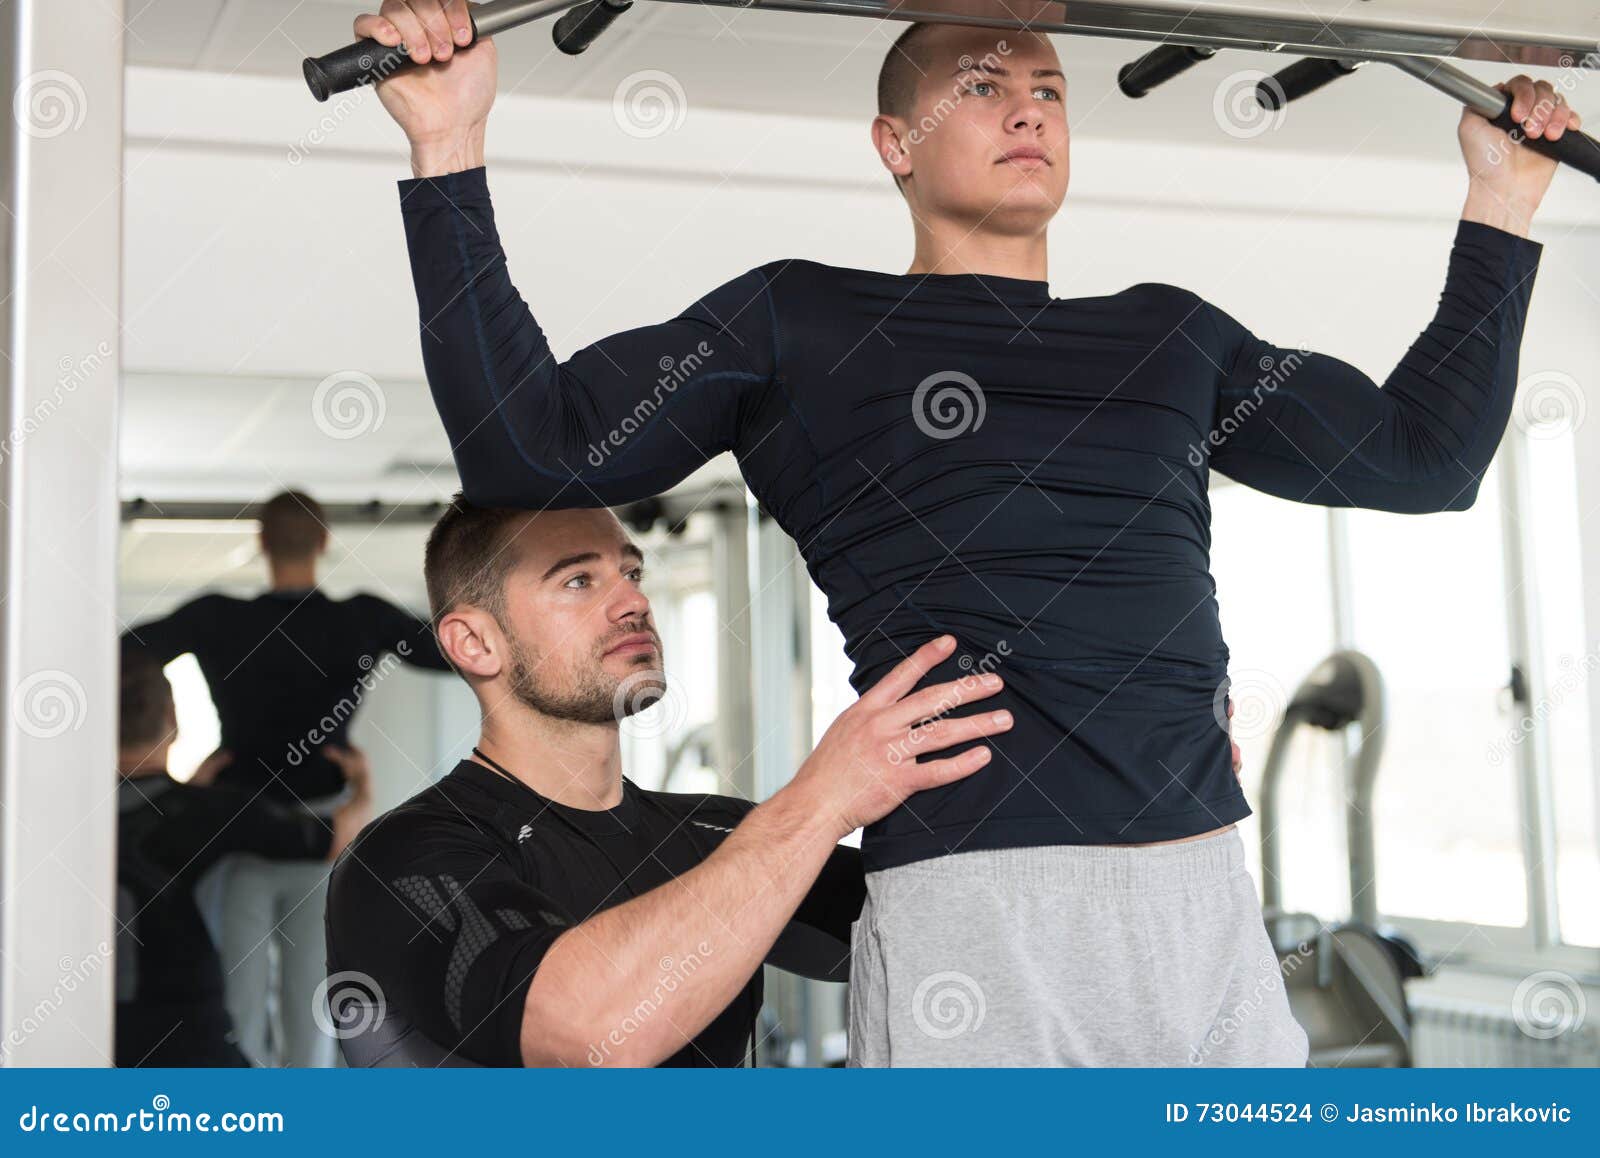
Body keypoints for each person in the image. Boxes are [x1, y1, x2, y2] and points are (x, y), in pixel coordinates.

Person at [356, 3, 1564, 1065]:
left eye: (1049, 89)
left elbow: (1427, 461)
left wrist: (1502, 203)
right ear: (896, 142)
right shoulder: (801, 323)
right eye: (981, 85)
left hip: (1201, 879)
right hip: (980, 898)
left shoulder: (1172, 337)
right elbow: (530, 455)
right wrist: (447, 146)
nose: (1027, 109)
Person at [324, 497, 1011, 1066]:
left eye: (631, 572)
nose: (632, 600)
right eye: (578, 580)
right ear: (475, 643)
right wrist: (820, 801)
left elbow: (954, 935)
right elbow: (585, 1029)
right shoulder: (405, 859)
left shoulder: (715, 833)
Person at [121, 488, 453, 1066]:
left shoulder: (218, 618)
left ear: (261, 542)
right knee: (312, 1020)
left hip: (239, 833)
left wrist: (173, 779)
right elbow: (456, 650)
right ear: (324, 542)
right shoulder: (359, 620)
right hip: (324, 835)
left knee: (239, 1011)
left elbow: (127, 655)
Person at [115, 644, 372, 1067]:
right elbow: (331, 838)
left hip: (103, 1041)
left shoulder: (75, 815)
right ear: (172, 720)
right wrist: (362, 787)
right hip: (193, 1047)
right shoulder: (211, 811)